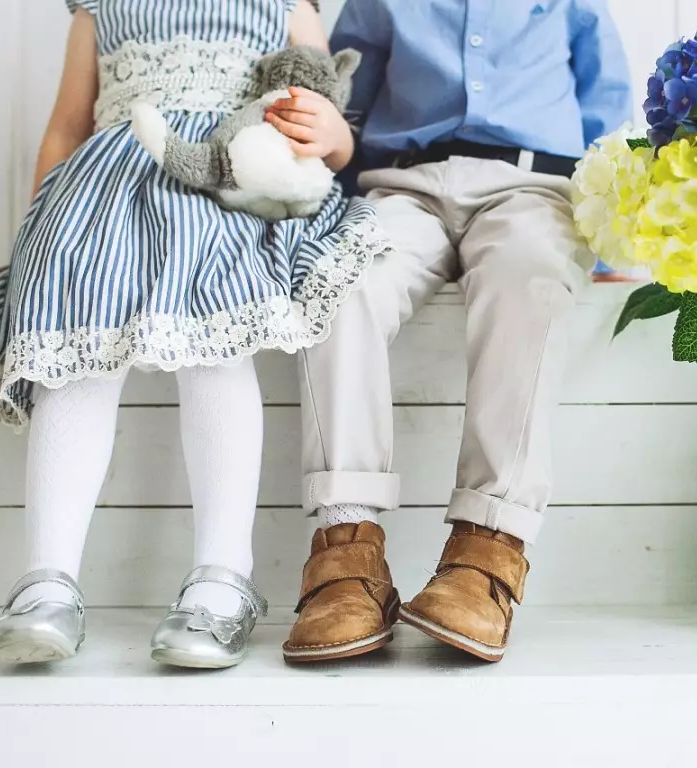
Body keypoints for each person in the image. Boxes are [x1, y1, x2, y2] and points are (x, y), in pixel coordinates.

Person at [0, 0, 378, 669]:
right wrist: (31, 236)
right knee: (77, 349)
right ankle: (47, 581)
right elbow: (67, 126)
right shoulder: (98, 7)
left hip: (224, 185)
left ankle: (222, 578)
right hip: (107, 187)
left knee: (215, 350)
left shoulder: (288, 5)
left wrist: (332, 137)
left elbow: (330, 124)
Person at [269, 0, 631, 663]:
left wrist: (609, 236)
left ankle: (487, 549)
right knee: (340, 283)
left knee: (532, 281)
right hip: (401, 187)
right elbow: (346, 98)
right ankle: (347, 550)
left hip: (534, 187)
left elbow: (607, 109)